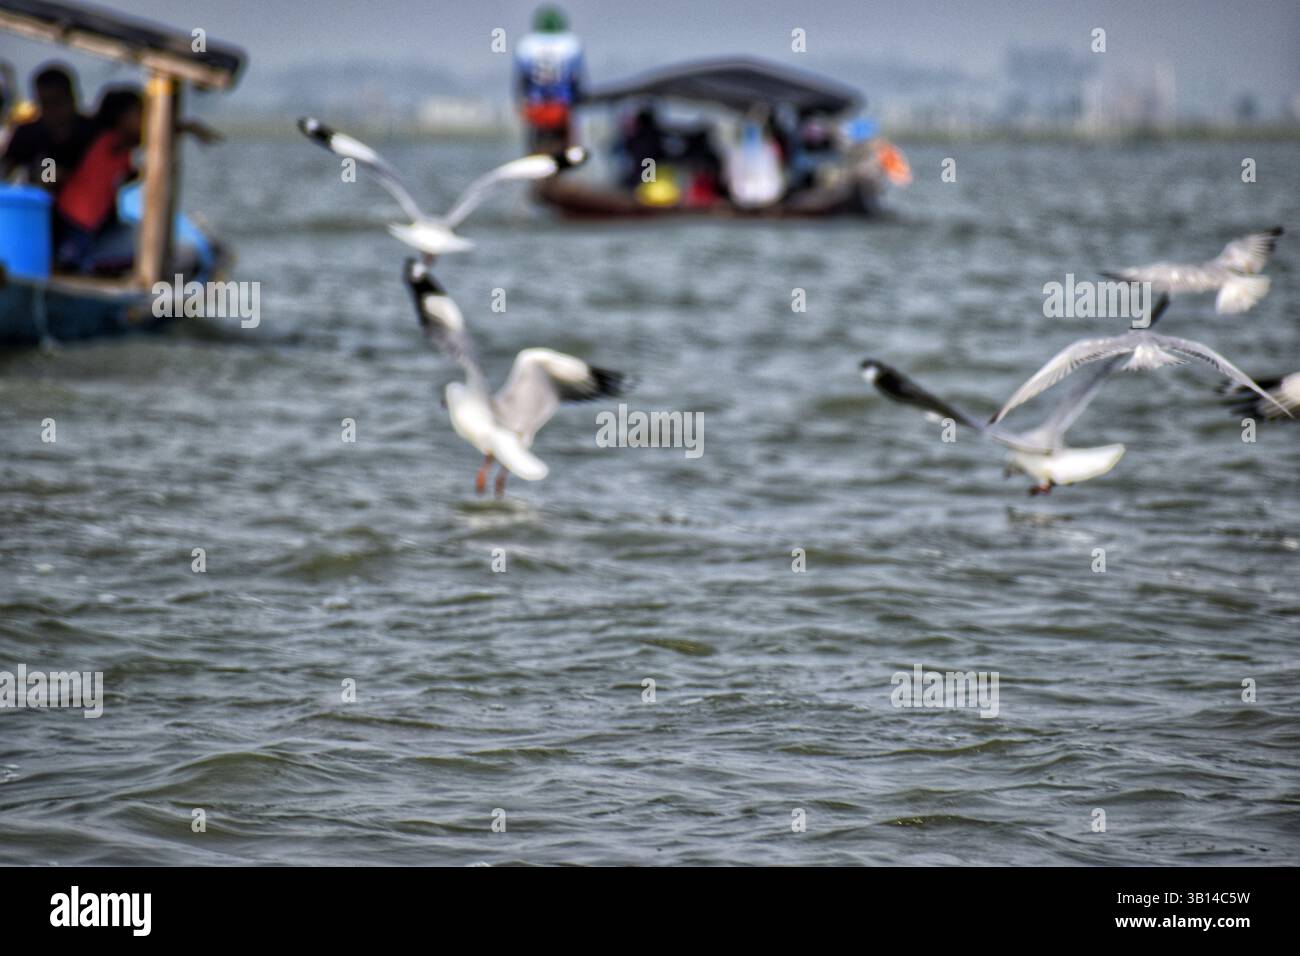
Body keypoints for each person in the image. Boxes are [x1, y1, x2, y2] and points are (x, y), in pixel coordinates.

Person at [53, 87, 141, 273]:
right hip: (73, 219)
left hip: (91, 224)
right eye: (140, 114)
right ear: (121, 118)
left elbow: (122, 175)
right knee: (70, 263)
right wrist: (49, 176)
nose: (146, 122)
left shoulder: (123, 152)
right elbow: (51, 159)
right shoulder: (107, 141)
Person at [0, 64, 96, 193]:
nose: (51, 111)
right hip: (38, 206)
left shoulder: (93, 133)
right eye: (44, 104)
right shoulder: (28, 134)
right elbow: (6, 169)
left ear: (72, 98)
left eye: (56, 102)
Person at [514, 6, 584, 153]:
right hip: (561, 108)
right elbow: (576, 79)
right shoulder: (571, 44)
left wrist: (520, 104)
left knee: (536, 151)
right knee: (563, 151)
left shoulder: (526, 45)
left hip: (536, 108)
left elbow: (521, 80)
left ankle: (538, 168)